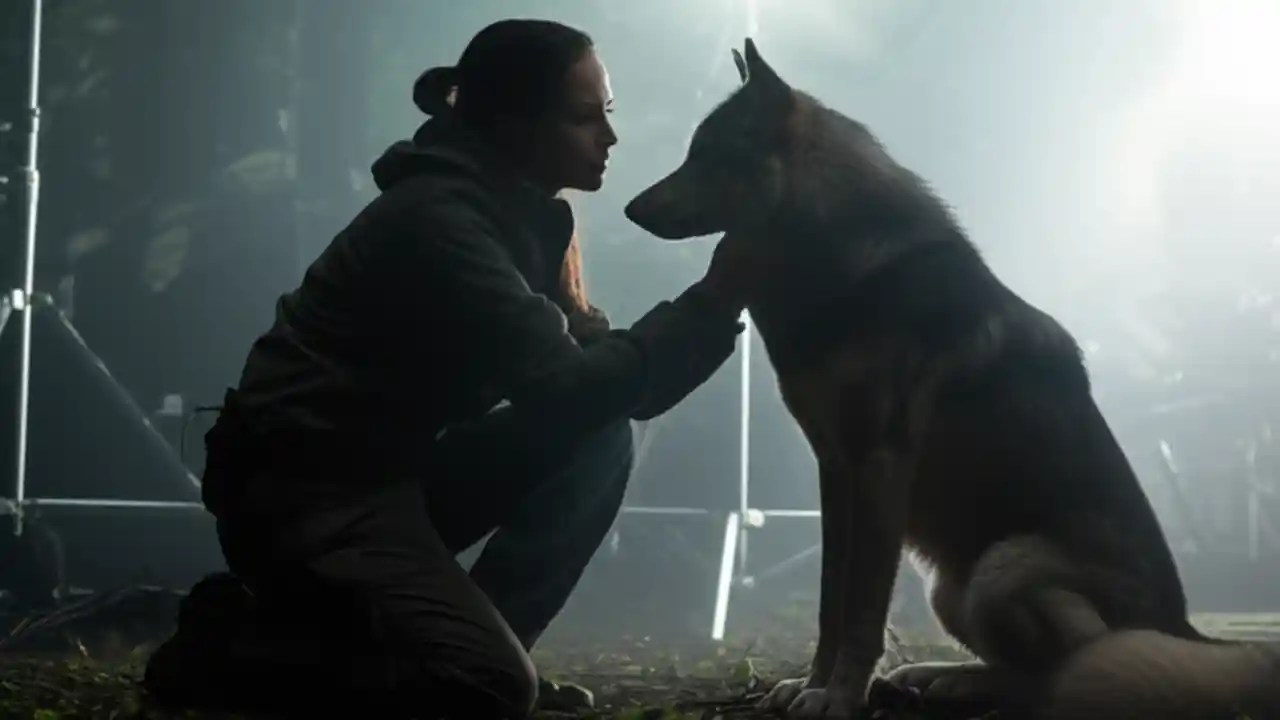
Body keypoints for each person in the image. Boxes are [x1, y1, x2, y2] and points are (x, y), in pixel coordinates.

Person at [142, 17, 749, 720]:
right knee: (490, 688)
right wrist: (710, 302)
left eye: (605, 113)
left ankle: (481, 648)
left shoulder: (526, 215)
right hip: (302, 498)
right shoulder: (441, 224)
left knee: (599, 433)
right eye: (585, 118)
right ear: (517, 128)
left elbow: (600, 389)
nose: (609, 137)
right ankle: (234, 653)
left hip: (387, 474)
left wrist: (690, 320)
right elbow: (565, 388)